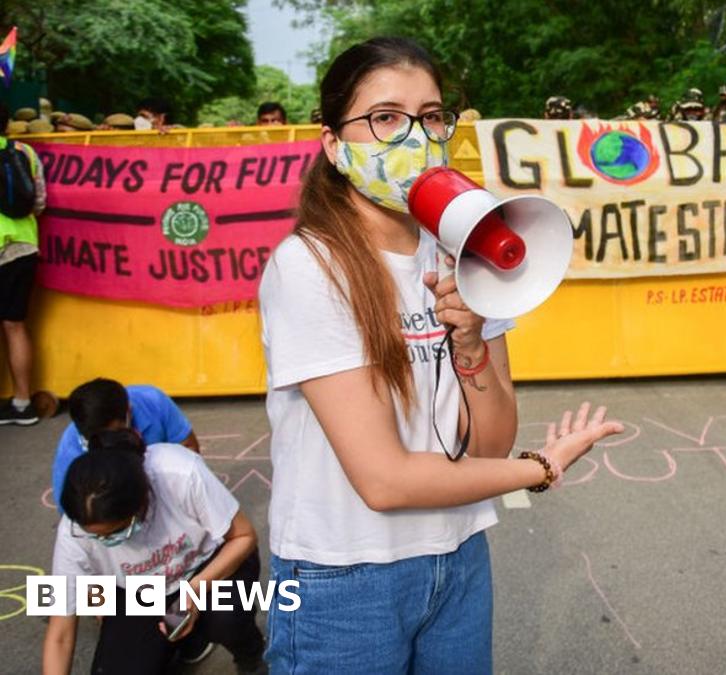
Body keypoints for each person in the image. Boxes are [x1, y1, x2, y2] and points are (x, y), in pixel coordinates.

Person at [257, 37, 623, 673]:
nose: (414, 138)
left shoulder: (466, 247)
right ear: (334, 144)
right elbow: (385, 481)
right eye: (385, 117)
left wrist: (471, 342)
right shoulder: (310, 267)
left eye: (429, 117)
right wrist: (541, 469)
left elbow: (489, 444)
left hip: (458, 556)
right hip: (344, 579)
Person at [42, 429, 266, 674]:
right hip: (138, 590)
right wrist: (103, 607)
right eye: (95, 536)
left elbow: (244, 536)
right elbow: (60, 633)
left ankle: (250, 654)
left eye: (114, 532)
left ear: (142, 503)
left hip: (206, 565)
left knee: (226, 618)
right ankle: (184, 641)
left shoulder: (179, 472)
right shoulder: (72, 530)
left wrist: (194, 591)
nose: (104, 541)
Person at [51, 378, 200, 509]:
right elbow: (75, 510)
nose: (108, 442)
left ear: (129, 411)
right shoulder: (70, 452)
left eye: (114, 433)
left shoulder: (153, 402)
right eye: (99, 439)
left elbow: (189, 448)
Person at [0, 102, 46, 426]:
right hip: (24, 246)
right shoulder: (25, 152)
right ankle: (22, 403)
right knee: (15, 325)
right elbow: (39, 202)